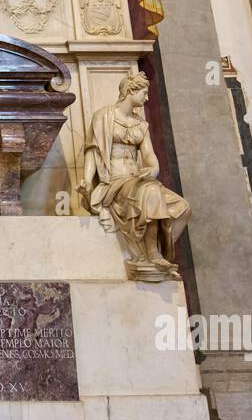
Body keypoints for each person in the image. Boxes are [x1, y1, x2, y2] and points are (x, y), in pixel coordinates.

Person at [79, 70, 190, 274]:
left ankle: (155, 248)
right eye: (144, 93)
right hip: (114, 182)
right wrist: (86, 180)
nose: (147, 97)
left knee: (182, 207)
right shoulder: (104, 116)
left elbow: (149, 156)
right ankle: (151, 253)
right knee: (151, 193)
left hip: (138, 180)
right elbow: (93, 151)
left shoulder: (141, 124)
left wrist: (154, 169)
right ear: (131, 90)